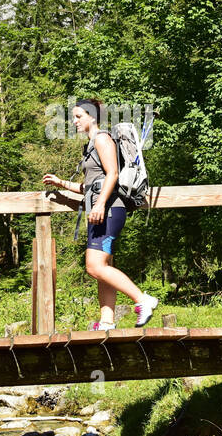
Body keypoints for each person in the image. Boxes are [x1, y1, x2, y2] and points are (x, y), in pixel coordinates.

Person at [42, 98, 158, 331]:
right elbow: (92, 186)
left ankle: (143, 300)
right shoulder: (90, 145)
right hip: (102, 210)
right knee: (102, 266)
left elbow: (113, 174)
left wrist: (100, 205)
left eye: (78, 116)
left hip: (109, 210)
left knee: (94, 267)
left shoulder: (102, 139)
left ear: (92, 117)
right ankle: (106, 322)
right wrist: (61, 183)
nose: (74, 121)